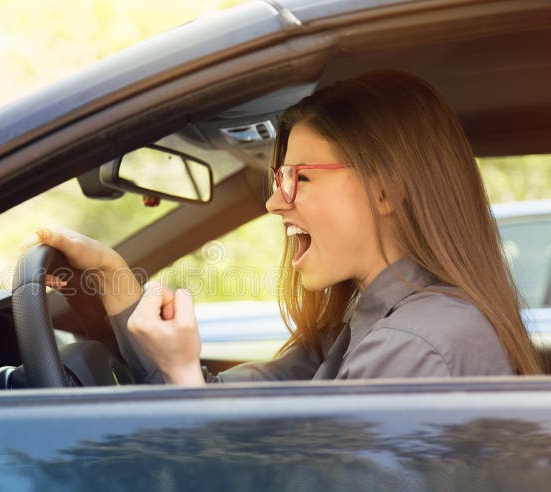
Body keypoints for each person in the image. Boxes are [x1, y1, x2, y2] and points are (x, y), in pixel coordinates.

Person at [34, 70, 543, 385]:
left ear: (386, 190)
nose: (276, 201)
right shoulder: (358, 326)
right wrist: (115, 279)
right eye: (279, 178)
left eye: (300, 177)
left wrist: (185, 374)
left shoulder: (414, 344)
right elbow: (234, 407)